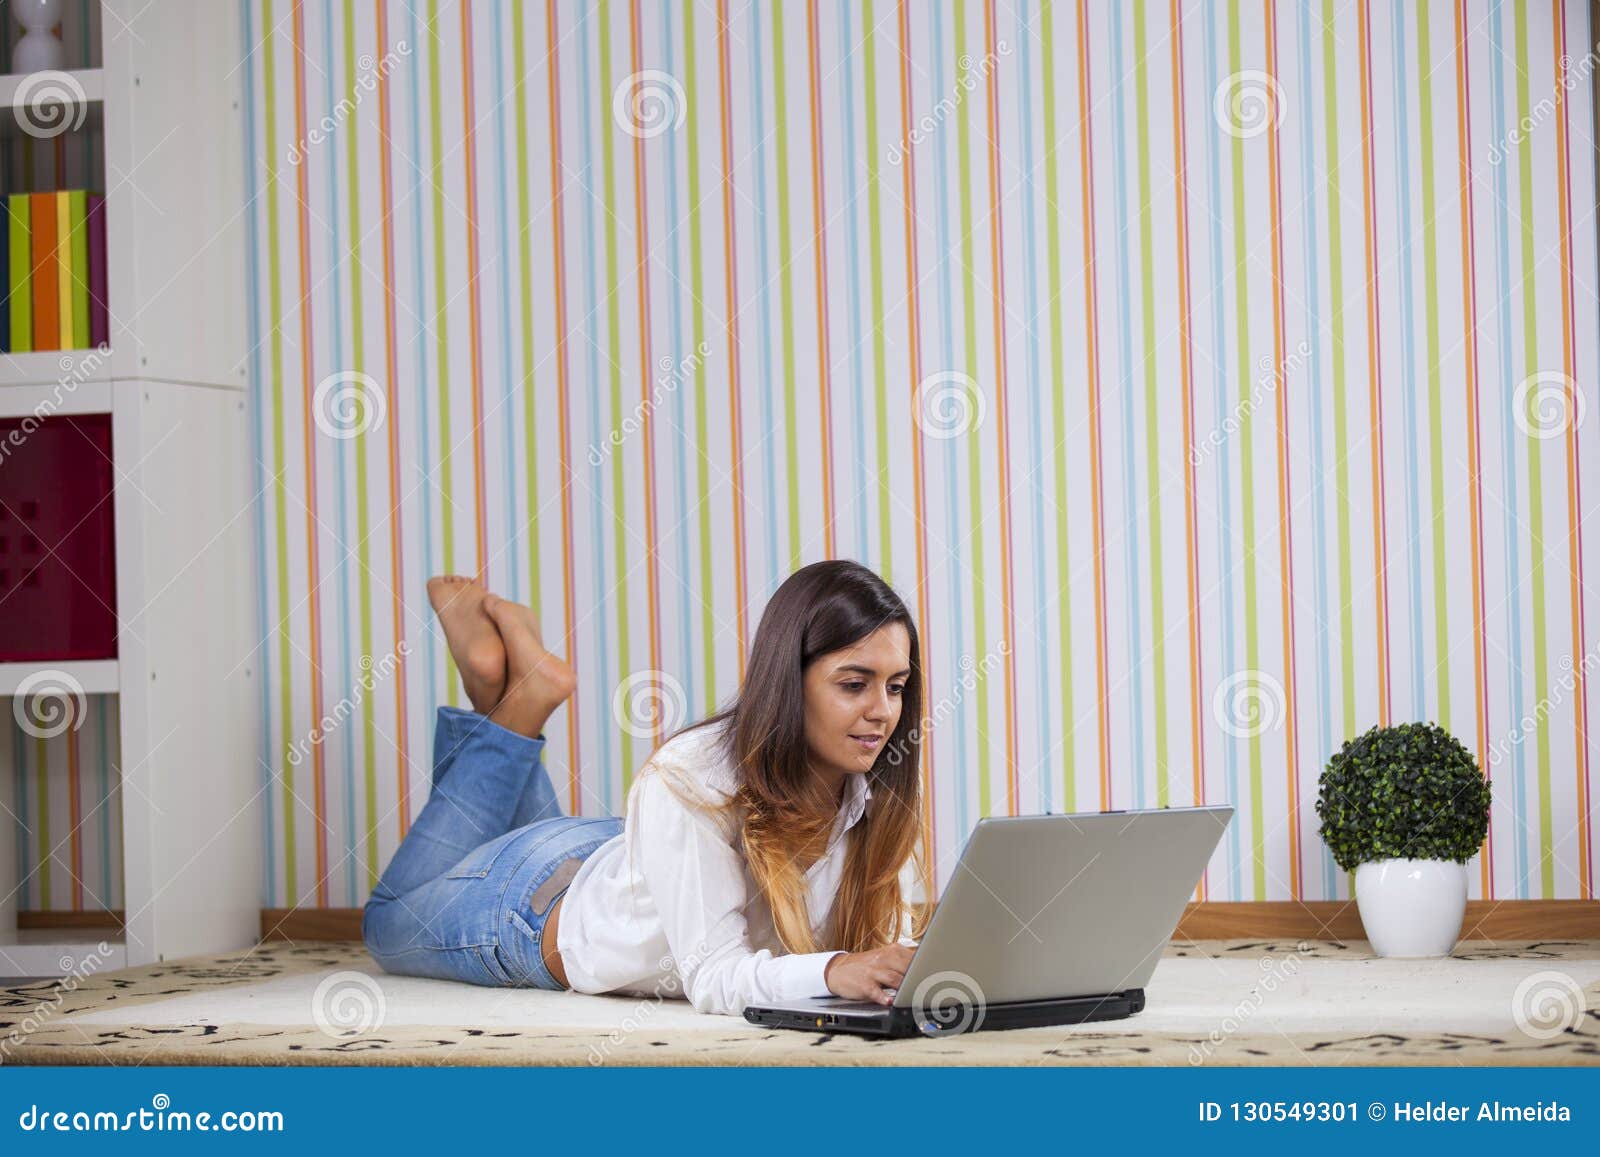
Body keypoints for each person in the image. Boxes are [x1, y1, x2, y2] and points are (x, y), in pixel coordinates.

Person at [362, 559, 932, 1016]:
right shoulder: (690, 775)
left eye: (897, 686)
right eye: (855, 684)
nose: (883, 712)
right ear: (788, 681)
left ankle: (505, 694)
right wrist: (834, 971)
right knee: (386, 922)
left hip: (627, 858)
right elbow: (714, 976)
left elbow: (882, 941)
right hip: (535, 907)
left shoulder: (875, 792)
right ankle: (516, 709)